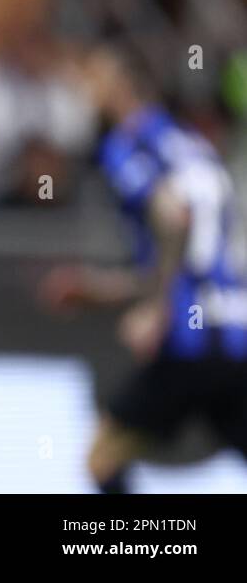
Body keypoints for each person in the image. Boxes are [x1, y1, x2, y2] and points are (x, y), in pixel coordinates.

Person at [40, 45, 247, 492]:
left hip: (189, 340)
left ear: (119, 86)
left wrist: (156, 308)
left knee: (102, 457)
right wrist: (99, 290)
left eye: (90, 77)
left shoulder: (126, 144)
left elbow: (172, 217)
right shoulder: (191, 143)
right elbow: (191, 258)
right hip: (233, 329)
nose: (81, 89)